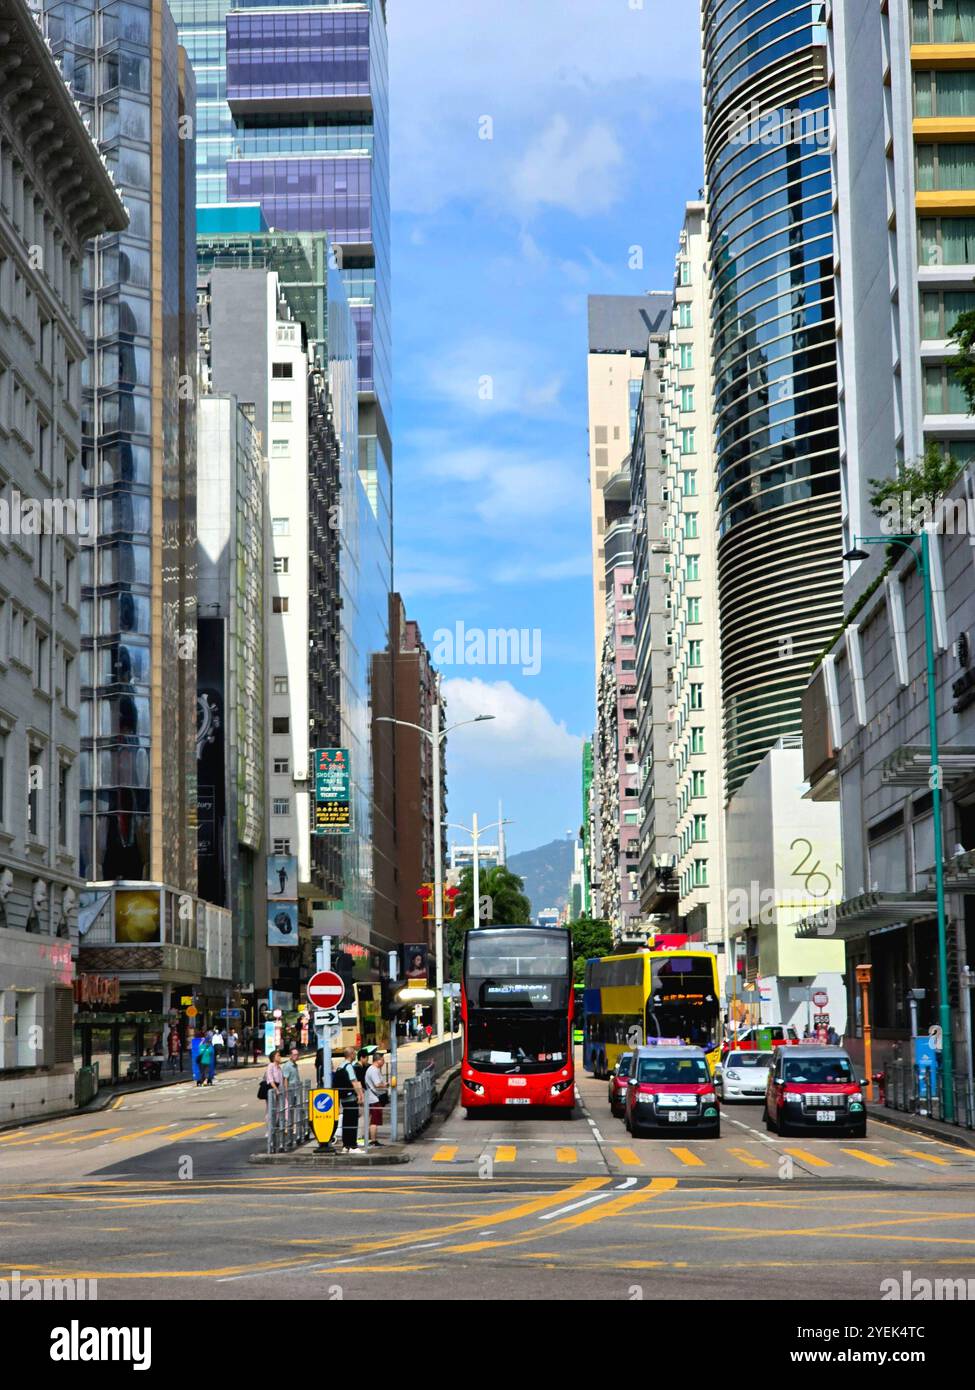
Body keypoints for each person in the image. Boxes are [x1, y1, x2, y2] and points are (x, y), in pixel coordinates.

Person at [335, 1046, 364, 1154]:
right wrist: (360, 1095)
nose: (355, 1055)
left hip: (343, 1098)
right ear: (351, 1054)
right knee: (352, 1122)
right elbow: (354, 1082)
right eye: (354, 1053)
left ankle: (346, 1146)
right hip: (351, 1098)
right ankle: (352, 1146)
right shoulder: (349, 1067)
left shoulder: (340, 1066)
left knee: (346, 1122)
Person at [364, 1049, 388, 1147]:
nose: (384, 1062)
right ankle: (373, 1141)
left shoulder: (373, 1069)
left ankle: (371, 1139)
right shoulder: (374, 1070)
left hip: (372, 1097)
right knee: (375, 1120)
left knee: (373, 1119)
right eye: (382, 1060)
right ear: (378, 1060)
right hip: (374, 1098)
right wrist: (386, 1084)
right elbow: (377, 1085)